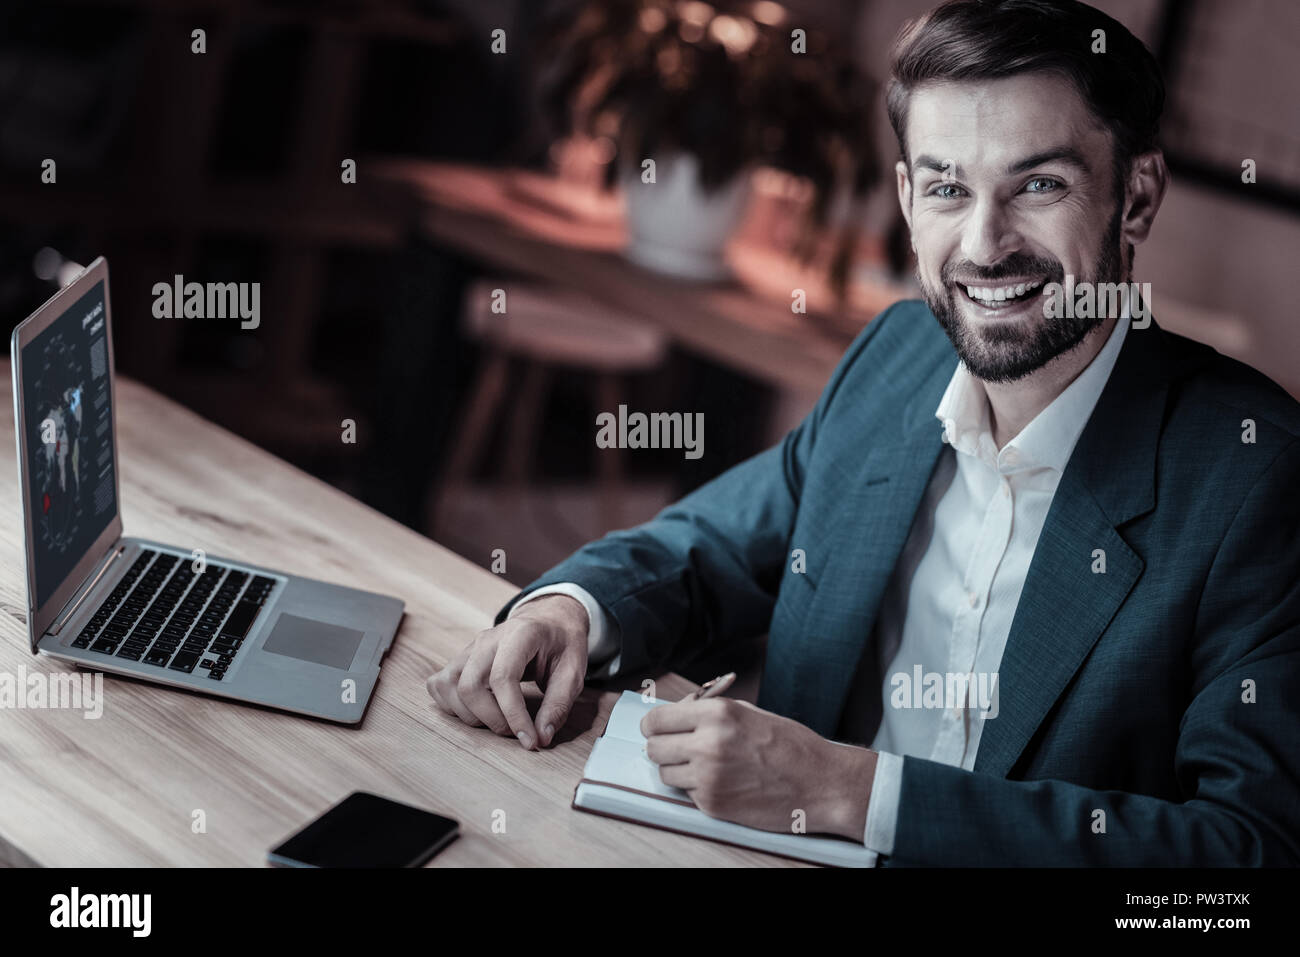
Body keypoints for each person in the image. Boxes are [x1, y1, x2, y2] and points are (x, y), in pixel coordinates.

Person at [427, 0, 1300, 865]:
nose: (986, 244)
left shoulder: (1256, 476)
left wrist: (850, 792)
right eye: (948, 188)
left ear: (1137, 197)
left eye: (1040, 184)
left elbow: (1245, 857)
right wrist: (570, 610)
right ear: (908, 199)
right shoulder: (896, 356)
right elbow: (718, 546)